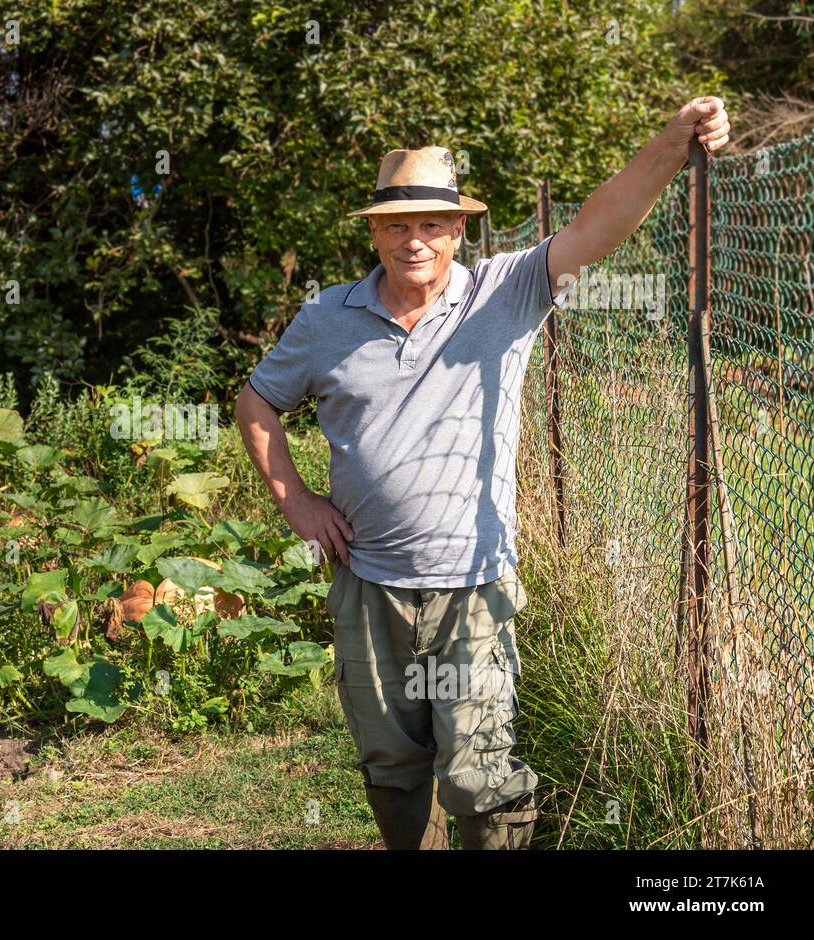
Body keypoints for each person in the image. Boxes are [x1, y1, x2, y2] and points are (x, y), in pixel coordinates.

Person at [234, 99, 730, 849]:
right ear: (372, 231)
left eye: (433, 223)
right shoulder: (324, 319)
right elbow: (256, 401)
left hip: (473, 584)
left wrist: (673, 140)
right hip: (367, 583)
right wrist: (296, 500)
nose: (414, 240)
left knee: (477, 778)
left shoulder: (506, 292)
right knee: (391, 764)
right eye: (396, 224)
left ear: (459, 229)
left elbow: (601, 224)